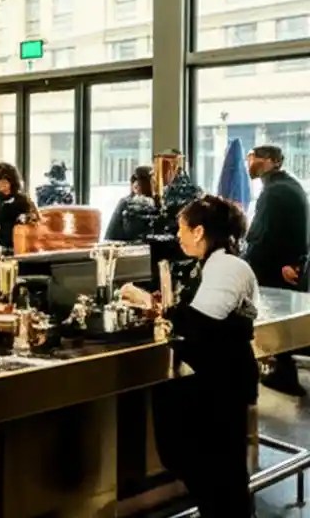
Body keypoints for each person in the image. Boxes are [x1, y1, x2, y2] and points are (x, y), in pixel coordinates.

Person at [121, 196, 258, 517]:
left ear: (198, 231)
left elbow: (201, 324)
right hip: (214, 382)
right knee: (216, 480)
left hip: (220, 387)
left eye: (181, 228)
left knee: (220, 482)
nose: (177, 235)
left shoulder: (227, 266)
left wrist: (154, 306)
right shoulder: (210, 264)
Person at [242, 145, 309, 396]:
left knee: (270, 320)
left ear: (270, 161)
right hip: (289, 267)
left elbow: (260, 236)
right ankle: (282, 370)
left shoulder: (273, 192)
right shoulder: (289, 186)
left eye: (253, 158)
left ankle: (282, 374)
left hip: (273, 269)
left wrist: (243, 264)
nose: (249, 163)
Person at [0, 162, 38, 253]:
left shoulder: (22, 199)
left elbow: (34, 217)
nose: (1, 185)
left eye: (5, 181)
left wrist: (25, 218)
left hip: (17, 245)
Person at [105, 166, 155, 242]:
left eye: (140, 180)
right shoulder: (125, 203)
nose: (136, 184)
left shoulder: (157, 204)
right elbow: (110, 235)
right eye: (134, 180)